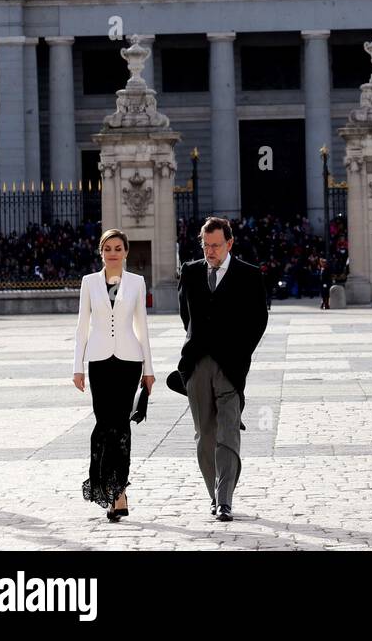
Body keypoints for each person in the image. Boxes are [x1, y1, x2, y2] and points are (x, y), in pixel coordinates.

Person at [167, 216, 268, 523]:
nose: (210, 251)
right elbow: (186, 314)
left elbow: (258, 320)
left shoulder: (249, 275)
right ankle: (214, 493)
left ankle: (225, 499)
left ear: (229, 243)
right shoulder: (191, 271)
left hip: (231, 366)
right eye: (206, 245)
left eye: (216, 245)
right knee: (204, 434)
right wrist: (198, 344)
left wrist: (240, 352)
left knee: (228, 433)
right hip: (197, 364)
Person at [73, 228, 155, 521]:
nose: (113, 253)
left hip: (129, 361)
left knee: (121, 426)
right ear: (101, 252)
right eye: (108, 248)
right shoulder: (89, 282)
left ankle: (118, 493)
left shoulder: (136, 282)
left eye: (118, 248)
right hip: (99, 361)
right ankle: (109, 487)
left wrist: (149, 369)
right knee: (103, 425)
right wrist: (77, 366)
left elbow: (142, 327)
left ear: (126, 252)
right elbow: (83, 325)